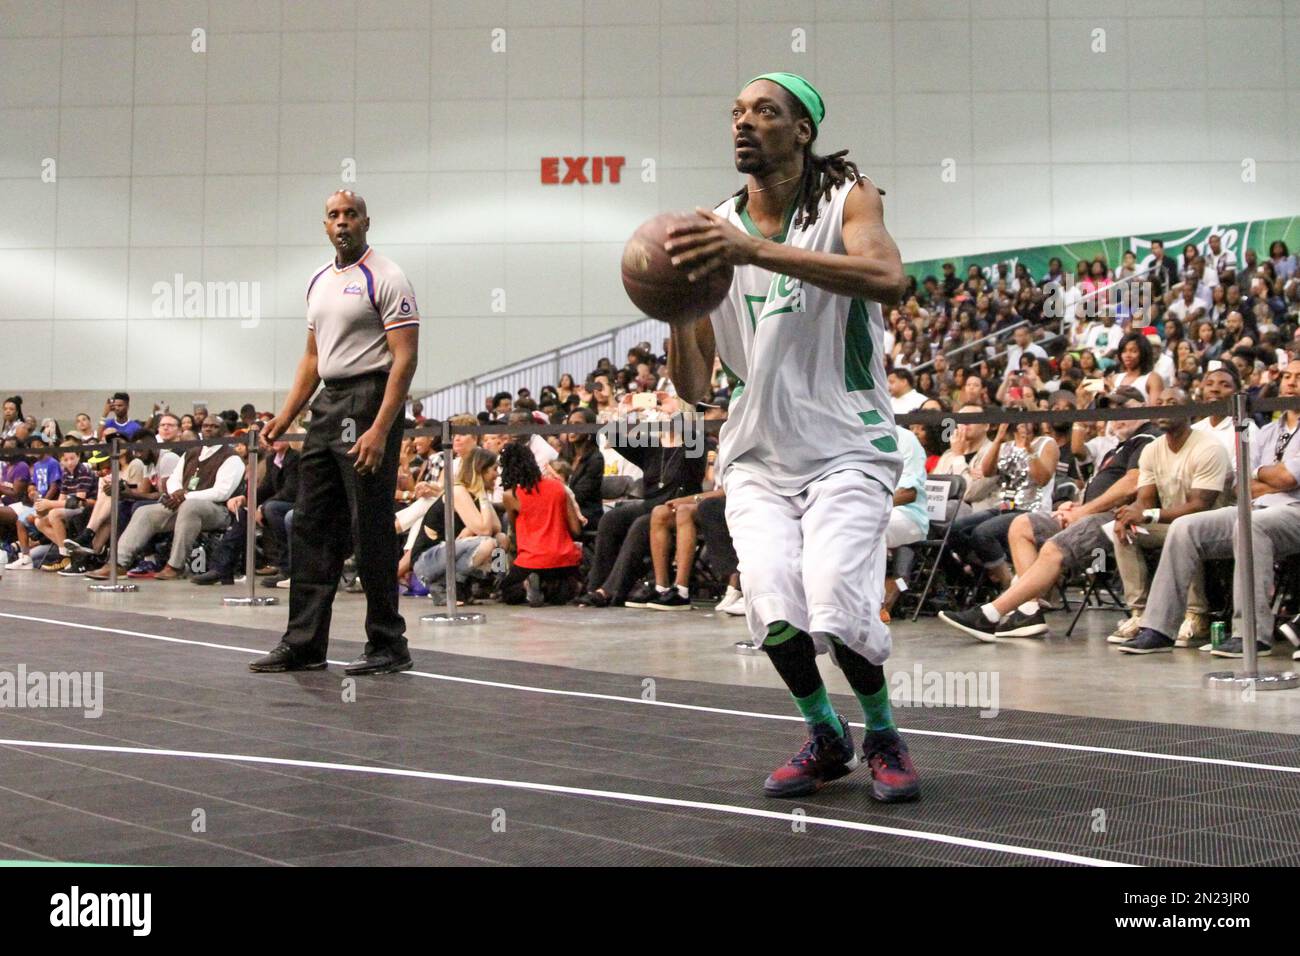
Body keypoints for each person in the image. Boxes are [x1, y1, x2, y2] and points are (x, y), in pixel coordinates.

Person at [664, 72, 919, 803]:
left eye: (765, 112)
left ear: (802, 130)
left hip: (847, 444)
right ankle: (824, 733)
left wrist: (751, 256)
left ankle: (884, 734)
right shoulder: (717, 227)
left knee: (837, 604)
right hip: (757, 455)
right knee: (774, 608)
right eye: (736, 110)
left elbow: (888, 277)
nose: (744, 122)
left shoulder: (850, 198)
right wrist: (678, 298)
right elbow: (691, 385)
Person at [250, 190, 420, 676]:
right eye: (333, 216)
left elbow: (405, 359)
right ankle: (304, 644)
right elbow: (312, 357)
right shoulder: (319, 282)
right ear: (324, 225)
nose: (342, 222)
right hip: (326, 405)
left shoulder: (386, 277)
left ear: (367, 221)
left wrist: (381, 429)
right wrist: (284, 418)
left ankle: (388, 644)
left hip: (369, 398)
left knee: (369, 528)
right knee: (310, 526)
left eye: (350, 214)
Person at [1126, 358, 1300, 657]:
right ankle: (1159, 627)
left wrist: (1265, 474)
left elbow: (1286, 477)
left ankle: (1251, 634)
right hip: (1256, 506)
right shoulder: (1267, 429)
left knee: (1251, 524)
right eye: (1286, 376)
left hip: (1294, 511)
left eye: (1298, 377)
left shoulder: (1258, 430)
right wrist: (1269, 478)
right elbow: (1241, 484)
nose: (1290, 382)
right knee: (1185, 527)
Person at [497, 442, 582, 606]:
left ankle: (526, 584)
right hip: (563, 557)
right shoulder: (558, 487)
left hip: (531, 558)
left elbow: (514, 530)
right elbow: (575, 529)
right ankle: (548, 586)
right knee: (559, 597)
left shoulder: (511, 495)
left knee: (507, 591)